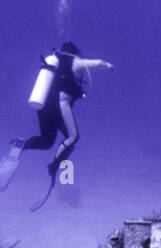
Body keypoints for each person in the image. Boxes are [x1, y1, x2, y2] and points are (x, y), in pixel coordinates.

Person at [14, 41, 114, 182]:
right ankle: (54, 166)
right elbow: (97, 63)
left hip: (44, 106)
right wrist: (108, 65)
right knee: (73, 137)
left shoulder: (55, 64)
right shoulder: (76, 62)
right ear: (74, 53)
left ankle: (22, 145)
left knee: (47, 141)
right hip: (60, 105)